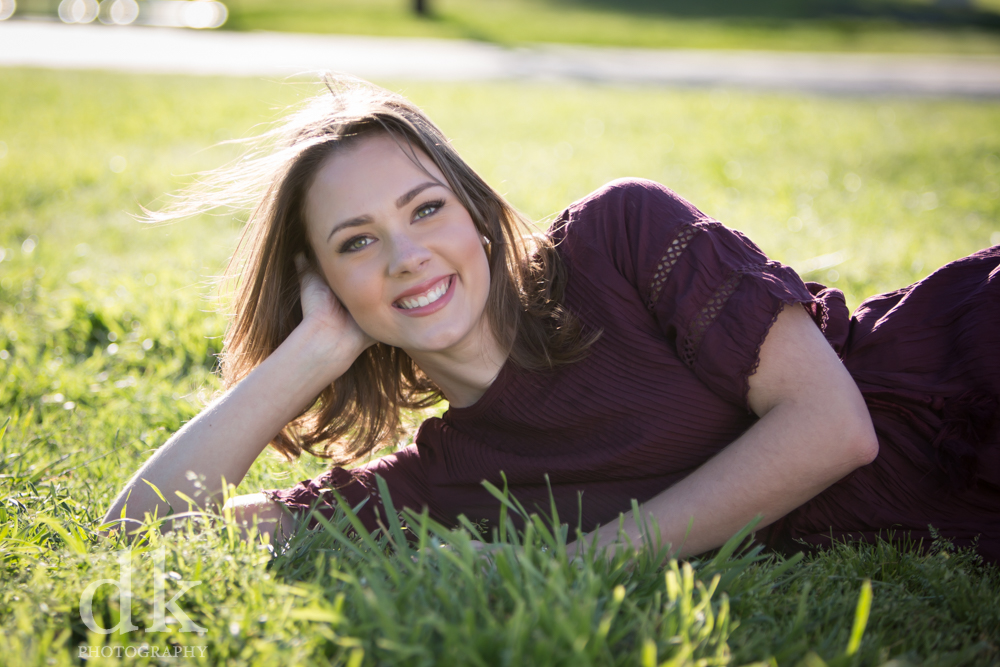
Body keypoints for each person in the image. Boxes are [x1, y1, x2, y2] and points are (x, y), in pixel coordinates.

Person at [102, 79, 1000, 562]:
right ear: (327, 283)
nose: (407, 255)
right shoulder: (438, 485)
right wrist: (316, 350)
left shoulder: (621, 236)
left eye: (424, 210)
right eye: (356, 242)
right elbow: (142, 527)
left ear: (480, 215)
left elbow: (836, 428)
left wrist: (590, 560)